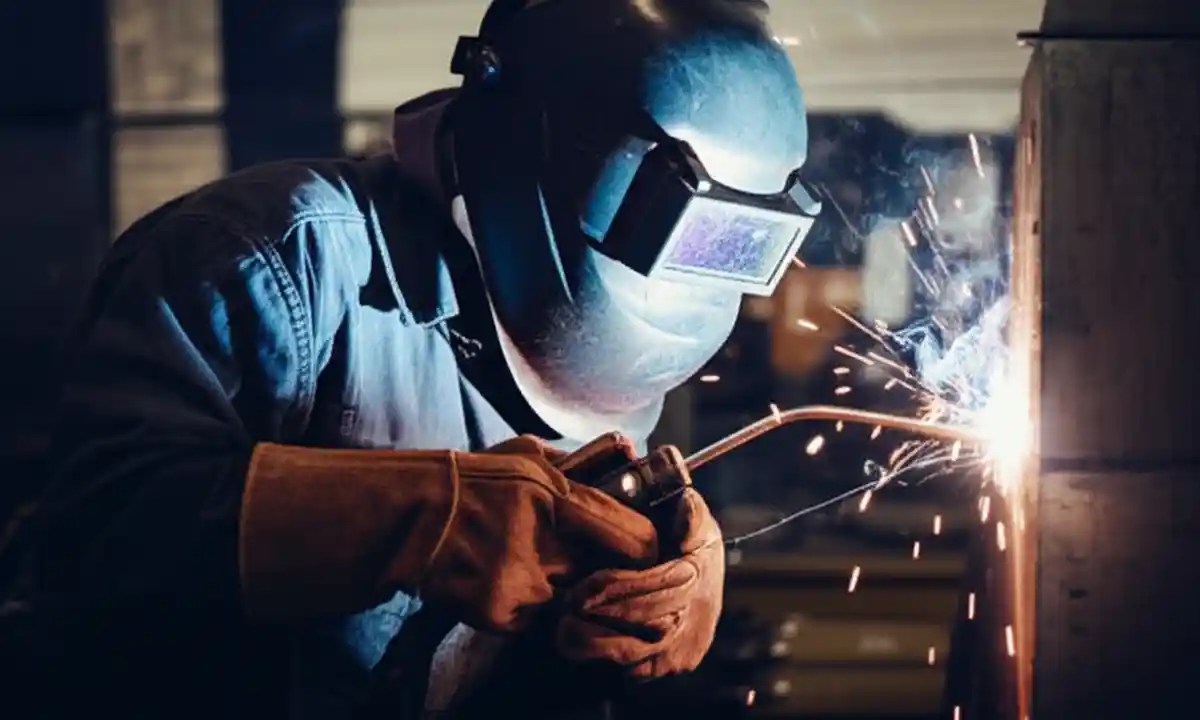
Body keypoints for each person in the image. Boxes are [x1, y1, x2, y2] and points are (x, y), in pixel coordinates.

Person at [4, 0, 819, 717]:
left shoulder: (654, 338)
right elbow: (88, 539)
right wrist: (404, 519)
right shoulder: (273, 261)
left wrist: (645, 597)